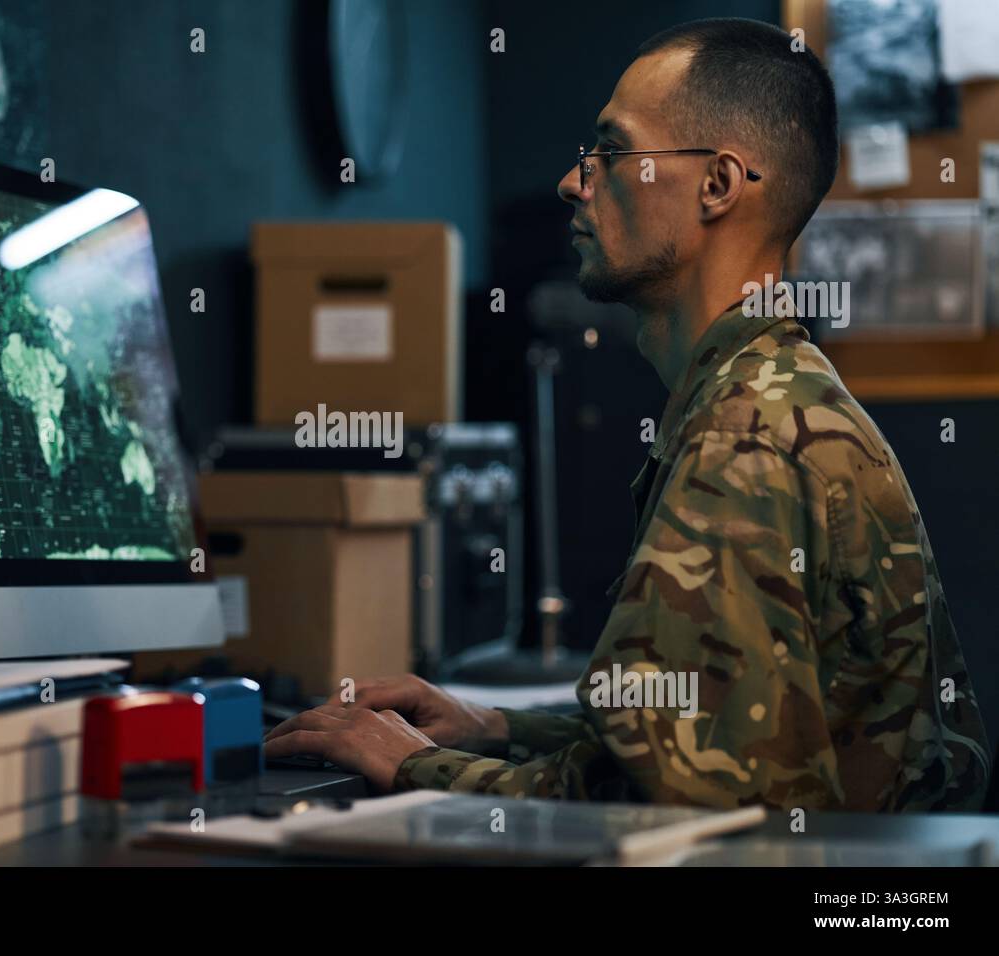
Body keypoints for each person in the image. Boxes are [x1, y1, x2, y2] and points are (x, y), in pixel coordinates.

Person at [263, 17, 990, 811]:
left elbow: (683, 817)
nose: (575, 183)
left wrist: (410, 765)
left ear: (717, 185)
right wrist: (497, 725)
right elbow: (716, 738)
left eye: (612, 153)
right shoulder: (781, 393)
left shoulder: (743, 441)